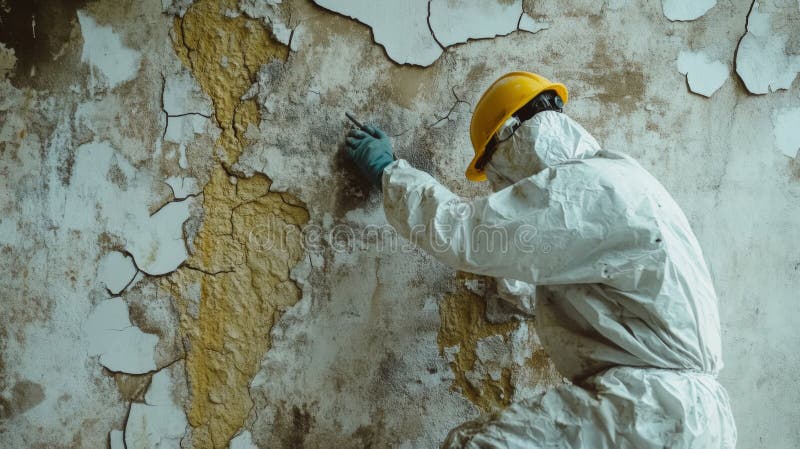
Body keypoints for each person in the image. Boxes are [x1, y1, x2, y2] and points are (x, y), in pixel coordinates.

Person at [344, 72, 737, 449]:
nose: (502, 188)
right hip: (687, 416)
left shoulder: (585, 190)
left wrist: (390, 173)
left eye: (496, 171)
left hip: (648, 410)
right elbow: (543, 280)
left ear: (514, 136)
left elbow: (466, 232)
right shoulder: (621, 180)